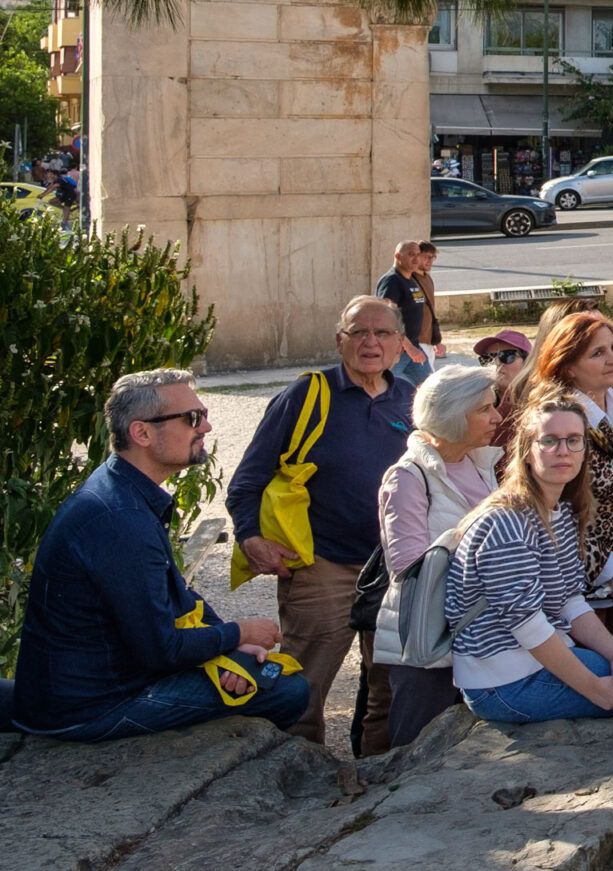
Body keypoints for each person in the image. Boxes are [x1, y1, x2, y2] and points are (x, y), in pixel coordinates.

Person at [12, 370, 304, 739]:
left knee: (258, 669)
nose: (207, 427)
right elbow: (161, 650)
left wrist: (229, 645)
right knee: (288, 690)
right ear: (142, 433)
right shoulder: (120, 519)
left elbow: (177, 600)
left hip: (96, 688)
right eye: (192, 418)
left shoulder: (120, 490)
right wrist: (238, 633)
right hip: (93, 708)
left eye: (204, 413)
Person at [226, 294, 415, 750]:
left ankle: (376, 789)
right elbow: (247, 481)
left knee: (390, 692)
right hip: (321, 567)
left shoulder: (413, 401)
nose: (370, 342)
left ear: (400, 344)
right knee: (301, 690)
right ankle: (297, 785)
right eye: (359, 332)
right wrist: (250, 537)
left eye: (382, 332)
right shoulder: (306, 395)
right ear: (339, 340)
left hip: (396, 570)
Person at [445, 397, 613, 726]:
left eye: (574, 441)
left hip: (534, 664)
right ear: (527, 451)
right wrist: (595, 689)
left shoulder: (558, 512)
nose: (563, 450)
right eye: (549, 440)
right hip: (503, 682)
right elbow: (528, 627)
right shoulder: (506, 521)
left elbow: (570, 603)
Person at [372, 364, 501, 747]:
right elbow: (409, 565)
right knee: (416, 749)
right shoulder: (409, 477)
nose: (497, 417)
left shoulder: (481, 464)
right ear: (451, 414)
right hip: (427, 643)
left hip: (472, 633)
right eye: (484, 409)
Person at [521, 314, 613, 657]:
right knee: (591, 678)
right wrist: (609, 568)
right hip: (580, 574)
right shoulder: (559, 416)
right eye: (597, 353)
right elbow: (557, 507)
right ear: (566, 366)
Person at [376, 241, 435, 385]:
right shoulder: (392, 281)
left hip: (411, 347)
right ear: (397, 256)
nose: (416, 259)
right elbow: (386, 320)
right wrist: (409, 348)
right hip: (395, 349)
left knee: (429, 389)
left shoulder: (410, 280)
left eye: (418, 255)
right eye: (410, 255)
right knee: (381, 388)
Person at [474, 328, 534, 426]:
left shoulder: (541, 402)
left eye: (507, 356)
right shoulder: (477, 402)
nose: (496, 363)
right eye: (488, 358)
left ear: (528, 361)